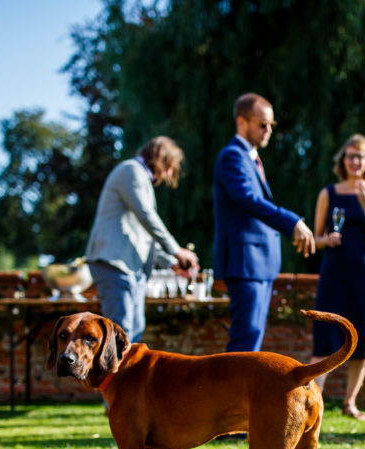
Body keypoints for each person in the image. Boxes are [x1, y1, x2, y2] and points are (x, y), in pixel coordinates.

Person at [212, 92, 315, 352]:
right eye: (262, 124)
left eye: (271, 124)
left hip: (259, 265)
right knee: (245, 342)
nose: (268, 130)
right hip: (246, 263)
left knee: (251, 341)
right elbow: (248, 199)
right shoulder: (232, 156)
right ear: (242, 122)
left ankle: (241, 394)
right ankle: (231, 395)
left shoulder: (251, 158)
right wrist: (292, 222)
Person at [309, 134, 365, 420]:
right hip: (334, 270)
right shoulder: (327, 193)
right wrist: (325, 240)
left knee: (363, 337)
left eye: (361, 156)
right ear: (342, 161)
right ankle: (311, 401)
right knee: (324, 334)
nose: (355, 161)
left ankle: (350, 402)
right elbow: (314, 238)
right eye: (350, 156)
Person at [85, 136, 199, 343]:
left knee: (134, 331)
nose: (170, 174)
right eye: (170, 167)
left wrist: (170, 262)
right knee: (121, 332)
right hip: (114, 264)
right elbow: (146, 215)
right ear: (161, 160)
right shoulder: (131, 170)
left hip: (129, 267)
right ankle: (115, 376)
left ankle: (124, 376)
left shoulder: (138, 178)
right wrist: (176, 250)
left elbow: (144, 235)